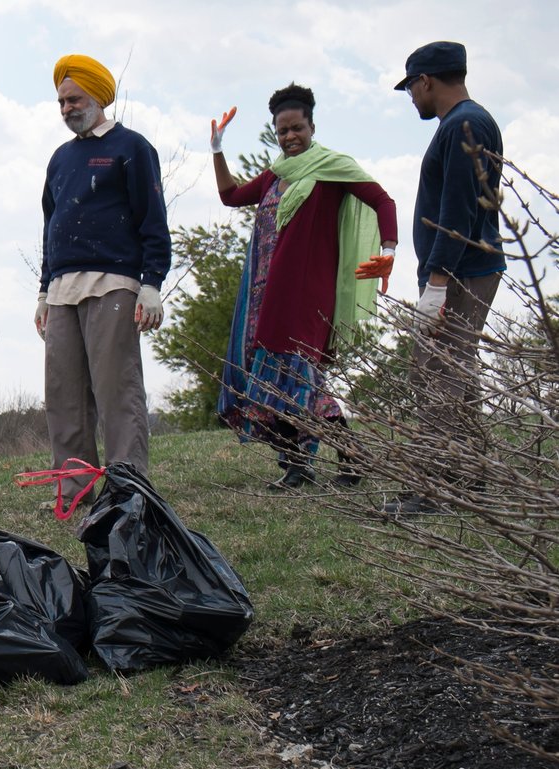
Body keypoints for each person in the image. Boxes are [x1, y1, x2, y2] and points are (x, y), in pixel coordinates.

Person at [212, 84, 398, 490]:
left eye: (297, 128)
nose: (290, 137)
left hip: (307, 294)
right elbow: (229, 196)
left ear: (312, 126)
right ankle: (315, 462)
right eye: (282, 131)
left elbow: (384, 201)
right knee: (276, 380)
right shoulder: (276, 175)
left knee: (300, 378)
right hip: (267, 294)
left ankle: (333, 456)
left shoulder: (331, 169)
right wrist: (217, 149)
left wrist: (389, 249)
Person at [35, 54, 170, 510]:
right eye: (60, 101)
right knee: (63, 395)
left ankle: (129, 490)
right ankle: (75, 492)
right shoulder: (59, 158)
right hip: (62, 289)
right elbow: (51, 227)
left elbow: (153, 219)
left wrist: (152, 282)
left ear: (98, 96)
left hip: (115, 281)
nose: (67, 108)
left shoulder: (131, 147)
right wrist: (43, 290)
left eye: (73, 98)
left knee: (116, 390)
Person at [386, 40, 505, 516]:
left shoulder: (463, 124)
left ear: (426, 81)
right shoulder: (467, 122)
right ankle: (472, 479)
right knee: (459, 372)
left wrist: (437, 283)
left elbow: (457, 211)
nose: (412, 98)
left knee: (434, 375)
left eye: (411, 87)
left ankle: (433, 490)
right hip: (469, 269)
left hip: (461, 273)